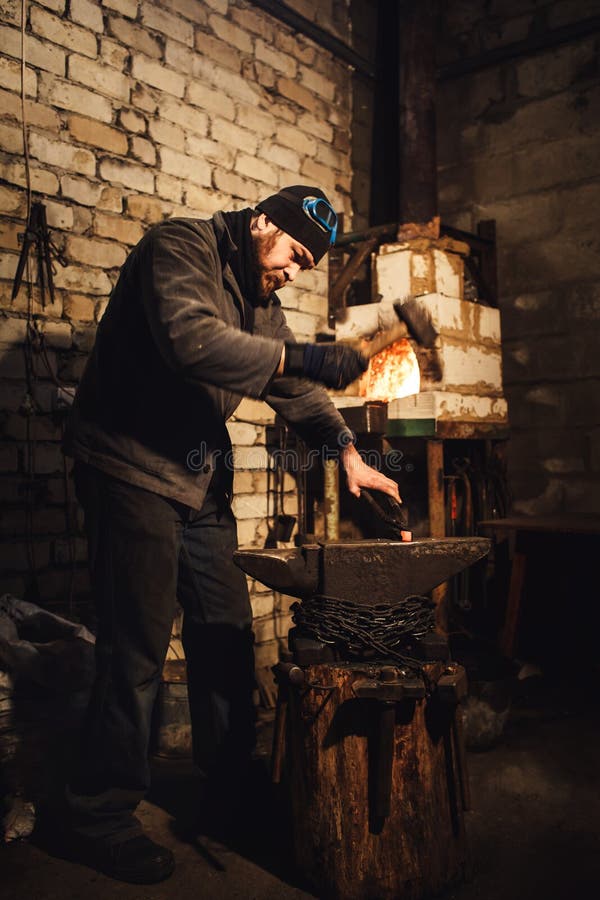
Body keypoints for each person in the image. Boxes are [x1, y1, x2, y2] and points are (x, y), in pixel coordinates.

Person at [60, 184, 401, 883]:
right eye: (294, 255)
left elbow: (292, 390)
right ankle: (99, 812)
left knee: (225, 632)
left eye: (308, 264)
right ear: (260, 224)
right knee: (137, 645)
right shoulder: (178, 248)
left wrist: (346, 452)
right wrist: (302, 357)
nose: (294, 271)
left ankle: (227, 796)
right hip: (127, 468)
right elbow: (194, 343)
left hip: (197, 485)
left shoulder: (261, 306)